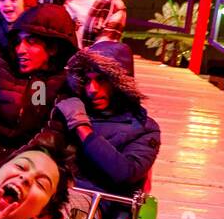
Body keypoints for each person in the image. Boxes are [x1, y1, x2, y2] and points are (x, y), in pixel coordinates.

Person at [0, 3, 78, 166]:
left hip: (19, 172)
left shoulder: (57, 85)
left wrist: (10, 165)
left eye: (31, 42)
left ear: (53, 48)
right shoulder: (0, 65)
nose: (20, 49)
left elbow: (49, 134)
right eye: (18, 42)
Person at [54, 41, 160, 195]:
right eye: (87, 81)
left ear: (120, 82)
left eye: (101, 80)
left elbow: (125, 173)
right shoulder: (72, 108)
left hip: (95, 203)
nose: (92, 89)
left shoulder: (144, 129)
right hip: (50, 192)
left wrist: (82, 128)